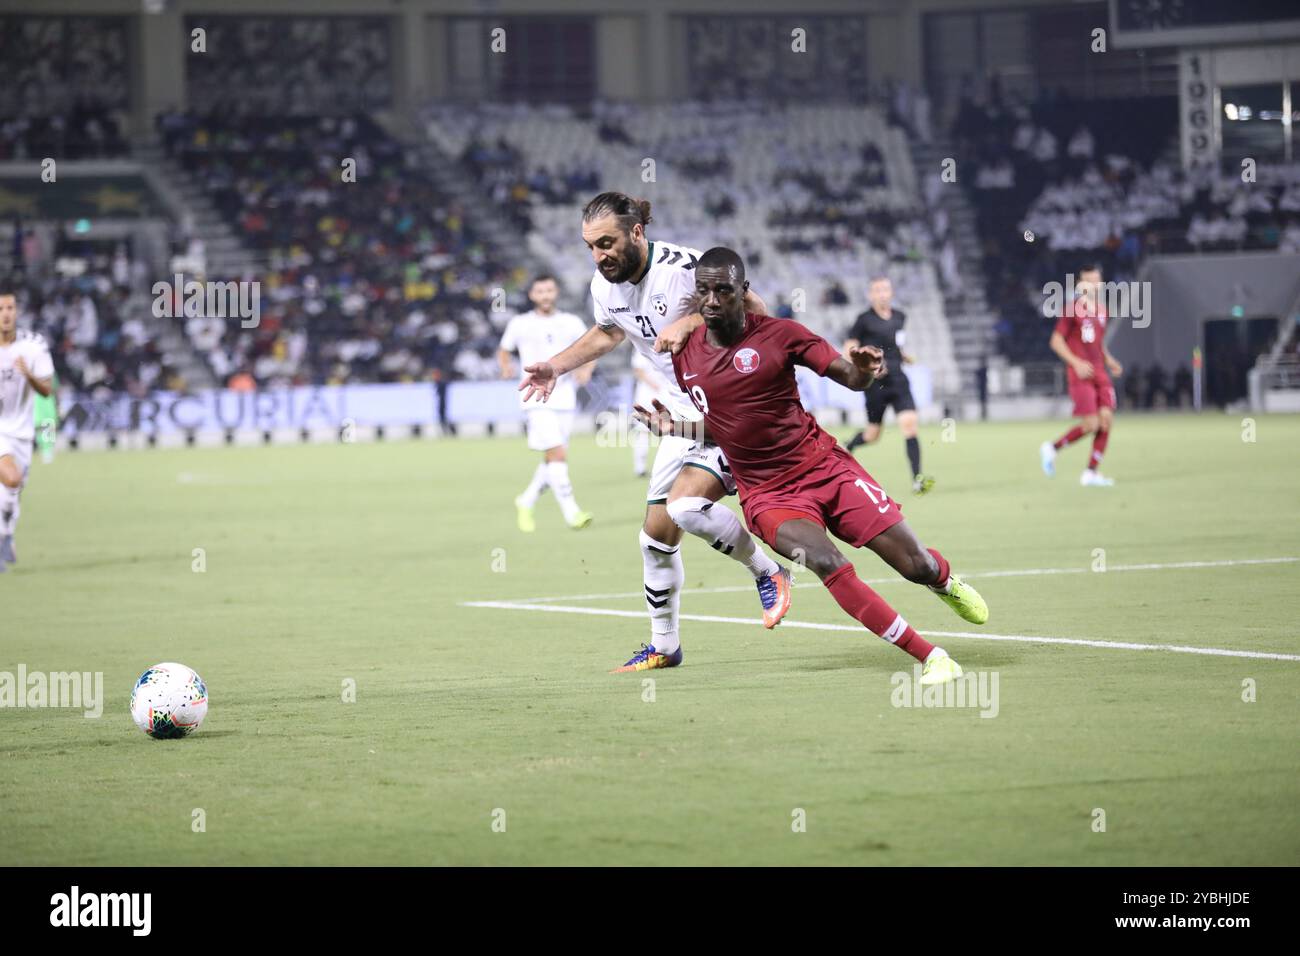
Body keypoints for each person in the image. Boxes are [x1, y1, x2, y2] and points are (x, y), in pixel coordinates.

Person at [636, 248, 988, 685]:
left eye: (722, 290)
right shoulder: (684, 353)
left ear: (743, 292)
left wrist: (864, 372)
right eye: (702, 290)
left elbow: (848, 376)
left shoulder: (782, 335)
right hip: (769, 496)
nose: (710, 300)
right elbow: (730, 428)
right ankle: (931, 656)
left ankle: (944, 582)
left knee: (916, 564)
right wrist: (678, 428)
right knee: (826, 561)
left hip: (825, 468)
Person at [519, 193, 792, 672]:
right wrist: (556, 367)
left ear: (637, 233)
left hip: (731, 407)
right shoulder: (604, 287)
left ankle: (768, 570)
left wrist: (691, 320)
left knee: (686, 507)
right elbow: (608, 332)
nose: (599, 255)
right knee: (656, 539)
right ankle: (664, 646)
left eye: (607, 243)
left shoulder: (684, 267)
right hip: (680, 415)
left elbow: (758, 311)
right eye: (591, 247)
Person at [498, 275, 593, 532]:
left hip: (565, 397)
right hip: (534, 397)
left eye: (549, 290)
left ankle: (526, 500)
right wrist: (506, 367)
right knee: (558, 454)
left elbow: (590, 347)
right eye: (540, 291)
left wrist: (587, 369)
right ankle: (572, 512)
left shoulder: (570, 322)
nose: (545, 295)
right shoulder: (520, 323)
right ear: (532, 295)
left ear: (556, 292)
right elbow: (504, 349)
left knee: (553, 457)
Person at [842, 276, 934, 494]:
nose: (882, 293)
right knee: (873, 435)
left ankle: (917, 479)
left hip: (899, 380)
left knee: (910, 425)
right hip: (875, 384)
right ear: (871, 295)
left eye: (885, 289)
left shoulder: (901, 317)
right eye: (877, 290)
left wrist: (905, 357)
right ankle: (850, 445)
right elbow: (849, 348)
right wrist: (861, 363)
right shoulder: (863, 320)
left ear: (891, 293)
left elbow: (896, 345)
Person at [1040, 264, 1122, 486]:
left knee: (1106, 421)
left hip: (1100, 373)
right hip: (1081, 373)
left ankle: (1091, 473)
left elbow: (1098, 344)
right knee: (1091, 424)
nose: (1093, 285)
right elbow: (1055, 341)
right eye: (1088, 281)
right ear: (1079, 284)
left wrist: (1109, 360)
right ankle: (1052, 448)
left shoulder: (1103, 311)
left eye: (1096, 281)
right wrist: (1075, 363)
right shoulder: (1071, 310)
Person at [0, 285, 55, 572]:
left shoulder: (33, 345)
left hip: (21, 433)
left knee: (13, 488)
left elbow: (46, 391)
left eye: (9, 308)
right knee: (10, 478)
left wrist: (28, 374)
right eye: (0, 309)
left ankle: (6, 535)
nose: (6, 314)